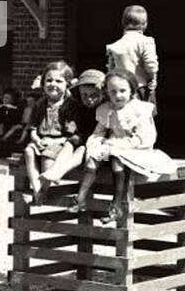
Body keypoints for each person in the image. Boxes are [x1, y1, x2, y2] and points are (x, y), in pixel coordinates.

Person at [72, 70, 177, 225]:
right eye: (113, 91)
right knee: (92, 159)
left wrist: (119, 145)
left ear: (131, 90)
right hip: (114, 145)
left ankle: (116, 206)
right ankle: (79, 199)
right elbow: (99, 132)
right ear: (107, 92)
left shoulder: (139, 110)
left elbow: (145, 138)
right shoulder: (107, 109)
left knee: (116, 160)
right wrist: (96, 143)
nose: (118, 95)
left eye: (122, 91)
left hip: (136, 149)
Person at [37, 68, 105, 197]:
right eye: (84, 95)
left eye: (94, 95)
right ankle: (54, 171)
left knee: (81, 150)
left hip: (99, 147)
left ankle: (59, 171)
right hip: (83, 140)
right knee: (70, 144)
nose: (89, 99)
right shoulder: (80, 107)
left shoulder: (106, 109)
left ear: (103, 94)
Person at [22, 61, 78, 201]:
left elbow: (70, 135)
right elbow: (33, 127)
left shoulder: (69, 105)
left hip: (59, 143)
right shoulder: (40, 104)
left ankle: (42, 192)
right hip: (41, 141)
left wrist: (52, 142)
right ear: (43, 83)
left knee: (47, 160)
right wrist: (35, 138)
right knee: (28, 152)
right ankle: (36, 188)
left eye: (59, 81)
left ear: (67, 84)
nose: (53, 84)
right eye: (49, 80)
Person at [106, 4, 160, 107]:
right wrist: (152, 81)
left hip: (122, 90)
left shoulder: (114, 46)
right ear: (145, 25)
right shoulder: (146, 42)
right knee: (145, 119)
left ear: (123, 24)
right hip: (142, 89)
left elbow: (111, 70)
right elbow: (151, 66)